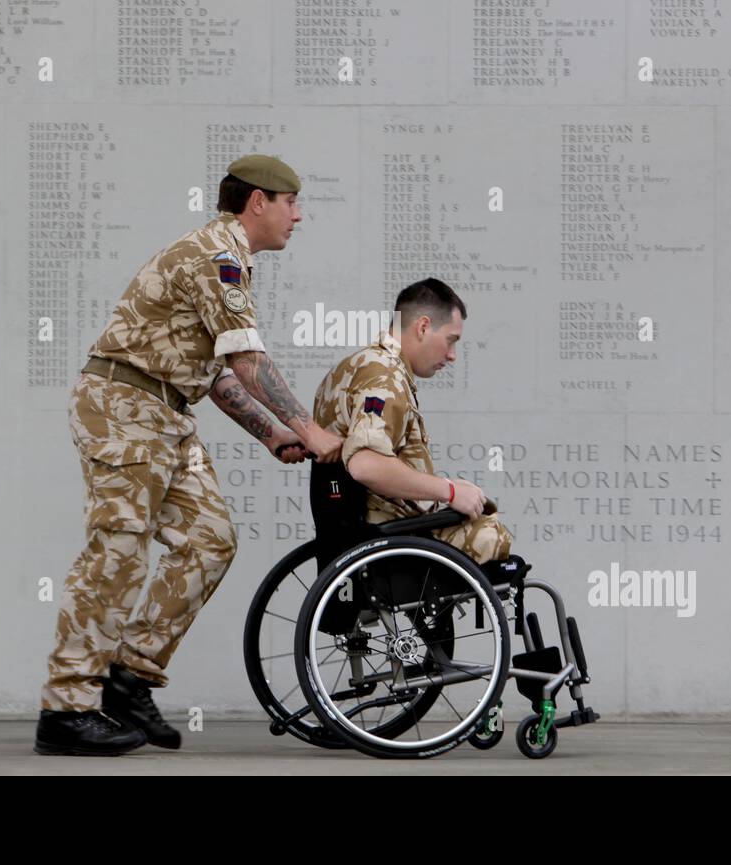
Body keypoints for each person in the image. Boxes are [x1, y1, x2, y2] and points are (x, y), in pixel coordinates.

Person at [35, 154, 343, 757]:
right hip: (123, 406)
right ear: (259, 201)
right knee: (118, 549)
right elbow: (251, 363)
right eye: (291, 203)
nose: (298, 216)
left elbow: (222, 374)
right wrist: (311, 430)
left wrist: (270, 433)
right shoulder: (217, 255)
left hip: (167, 411)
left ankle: (129, 678)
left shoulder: (231, 259)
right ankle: (66, 709)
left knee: (211, 540)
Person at [312, 278, 513, 565]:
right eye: (451, 340)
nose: (453, 355)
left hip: (360, 530)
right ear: (423, 327)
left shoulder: (353, 366)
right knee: (491, 535)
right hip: (390, 537)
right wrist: (449, 491)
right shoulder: (384, 378)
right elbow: (366, 464)